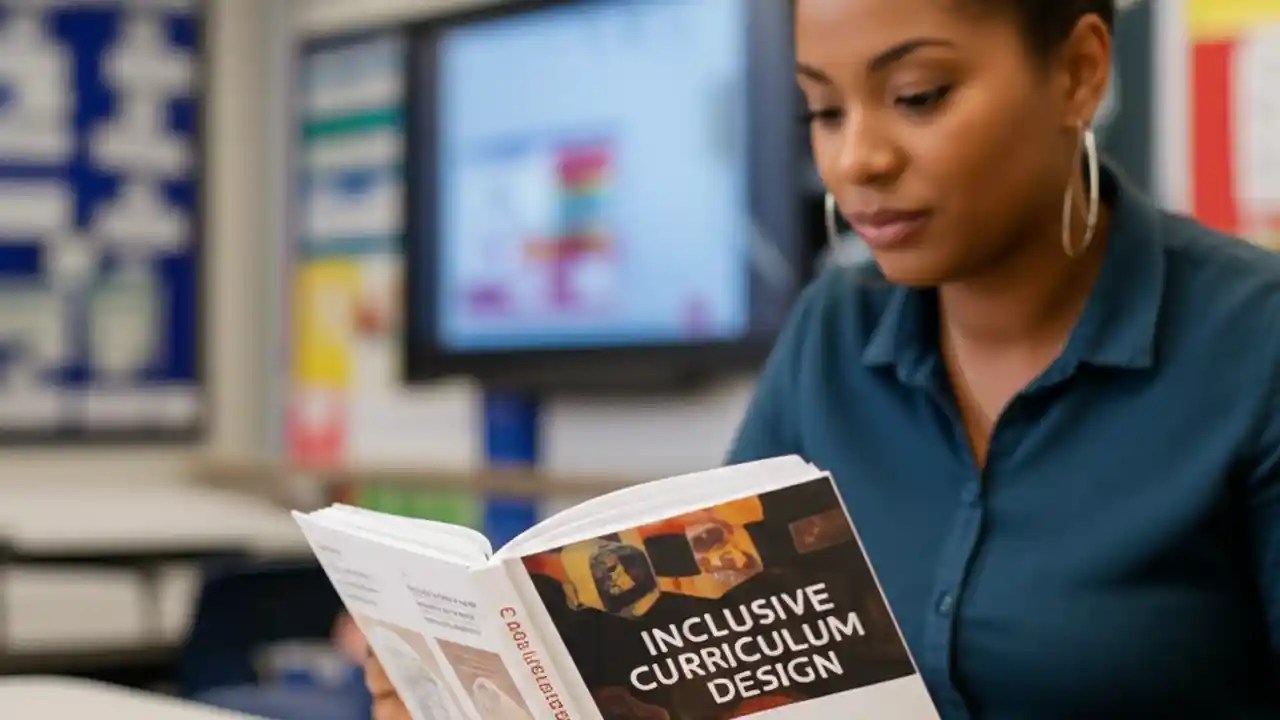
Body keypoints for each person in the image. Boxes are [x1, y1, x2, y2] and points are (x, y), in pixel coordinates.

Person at [367, 0, 1280, 717]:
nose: (857, 160)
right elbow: (709, 657)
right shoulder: (834, 330)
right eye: (822, 109)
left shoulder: (1253, 346)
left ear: (1079, 73)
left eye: (918, 95)